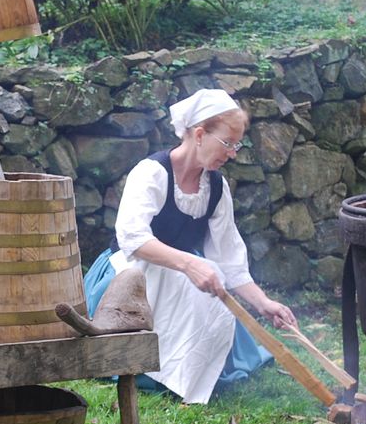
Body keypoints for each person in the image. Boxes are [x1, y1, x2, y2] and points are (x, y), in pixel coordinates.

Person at [83, 88, 297, 404]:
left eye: (236, 144)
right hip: (130, 270)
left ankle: (188, 371)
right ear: (199, 134)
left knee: (211, 301)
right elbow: (133, 238)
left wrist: (264, 304)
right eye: (227, 142)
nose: (233, 153)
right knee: (185, 291)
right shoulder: (152, 172)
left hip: (184, 269)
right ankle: (154, 369)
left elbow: (230, 259)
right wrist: (189, 264)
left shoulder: (215, 187)